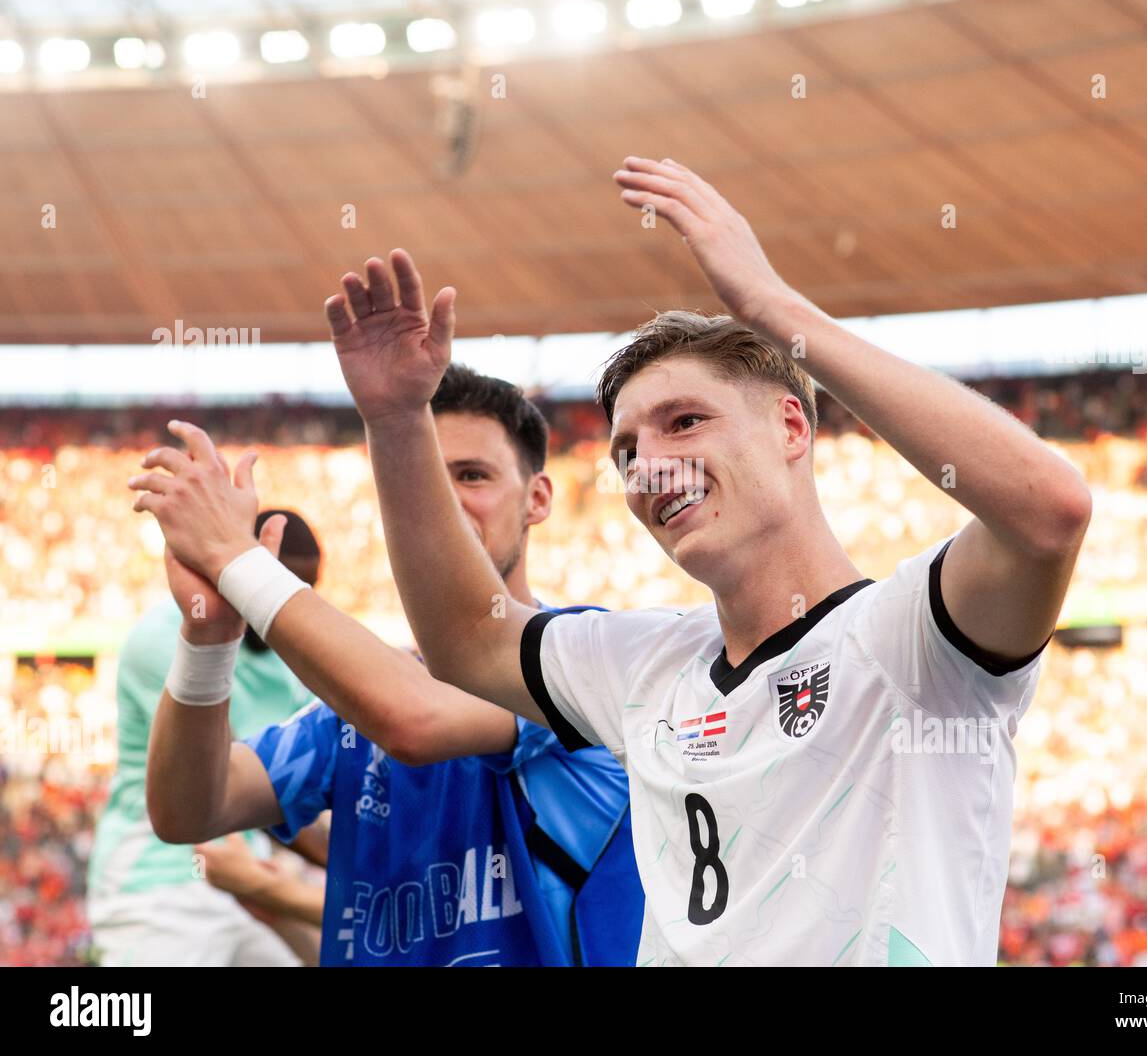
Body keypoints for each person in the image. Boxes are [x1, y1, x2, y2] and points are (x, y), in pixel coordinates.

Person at [306, 154, 1091, 966]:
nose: (650, 464)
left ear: (792, 427)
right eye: (626, 450)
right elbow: (467, 637)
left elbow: (1048, 512)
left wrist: (772, 308)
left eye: (684, 422)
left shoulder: (913, 641)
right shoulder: (646, 664)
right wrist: (397, 421)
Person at [132, 367, 643, 966]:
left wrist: (236, 563)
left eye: (472, 475)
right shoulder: (355, 708)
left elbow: (414, 720)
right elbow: (188, 808)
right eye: (420, 480)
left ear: (538, 499)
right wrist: (210, 636)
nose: (442, 501)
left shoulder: (580, 660)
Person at [87, 510, 326, 967]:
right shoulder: (169, 637)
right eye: (280, 585)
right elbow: (240, 780)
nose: (286, 605)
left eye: (303, 590)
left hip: (241, 880)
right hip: (156, 887)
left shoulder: (283, 660)